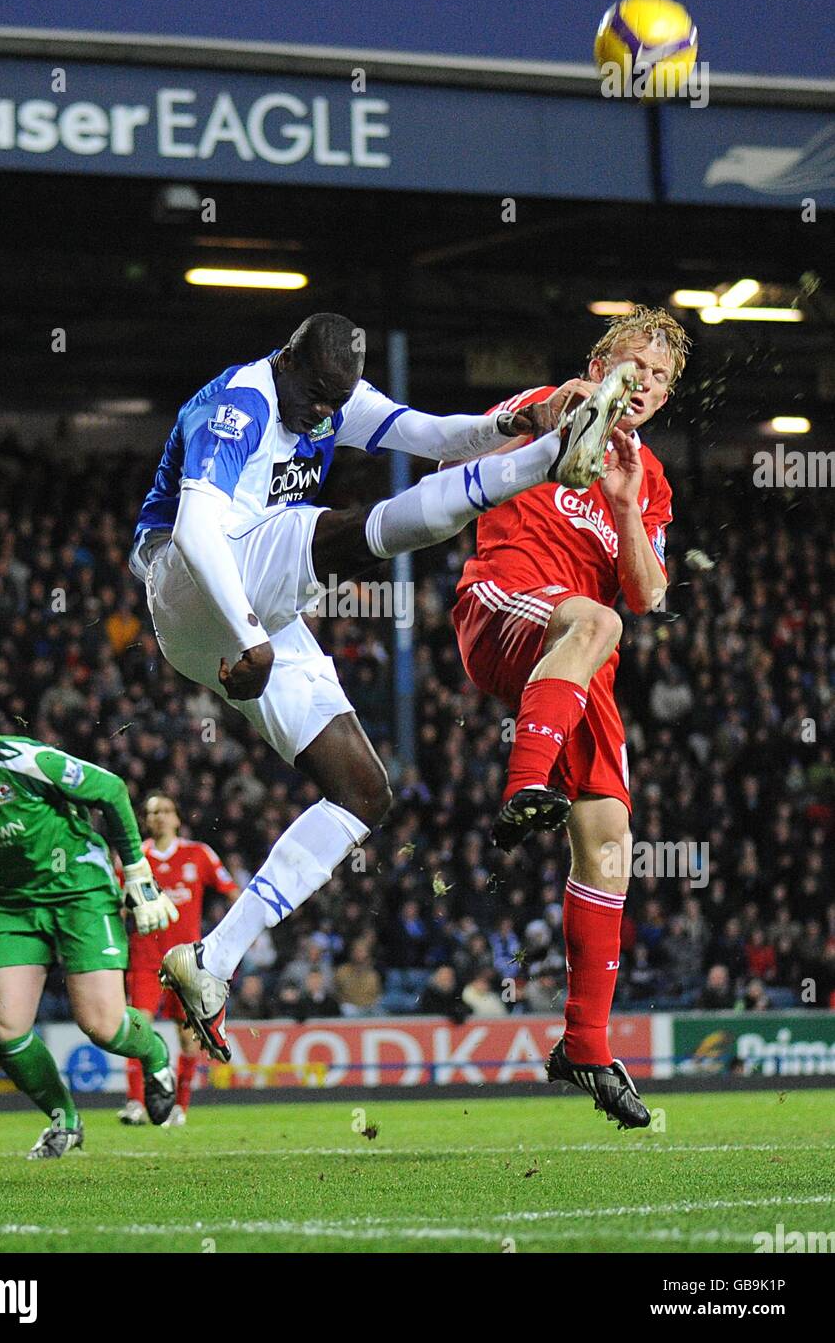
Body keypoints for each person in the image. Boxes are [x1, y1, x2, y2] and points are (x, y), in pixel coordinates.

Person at [129, 311, 637, 1062]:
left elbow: (436, 436)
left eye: (337, 400)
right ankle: (547, 463)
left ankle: (211, 962)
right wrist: (250, 638)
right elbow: (202, 530)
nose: (324, 415)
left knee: (363, 792)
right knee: (347, 530)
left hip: (251, 610)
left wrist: (523, 419)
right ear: (286, 359)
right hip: (189, 579)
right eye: (316, 397)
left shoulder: (330, 396)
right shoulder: (240, 403)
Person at [452, 306, 690, 1129]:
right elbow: (473, 439)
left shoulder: (650, 476)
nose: (645, 386)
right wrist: (564, 412)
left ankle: (584, 1046)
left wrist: (624, 506)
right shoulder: (552, 403)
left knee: (611, 844)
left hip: (580, 660)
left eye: (660, 379)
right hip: (503, 605)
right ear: (600, 362)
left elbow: (651, 594)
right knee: (597, 620)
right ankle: (522, 787)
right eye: (634, 367)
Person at [0, 686, 179, 1157]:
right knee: (6, 1029)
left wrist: (137, 873)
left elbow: (110, 789)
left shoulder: (23, 760)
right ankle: (65, 1120)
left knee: (103, 1026)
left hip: (81, 889)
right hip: (12, 905)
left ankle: (153, 1053)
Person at [118, 792, 238, 1127]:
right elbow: (117, 905)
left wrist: (227, 943)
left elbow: (232, 894)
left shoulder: (198, 854)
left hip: (186, 965)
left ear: (177, 818)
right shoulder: (134, 858)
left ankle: (178, 1109)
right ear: (145, 819)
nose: (158, 817)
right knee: (138, 1029)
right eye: (152, 811)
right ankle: (136, 1104)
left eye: (165, 811)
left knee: (188, 1037)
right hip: (145, 960)